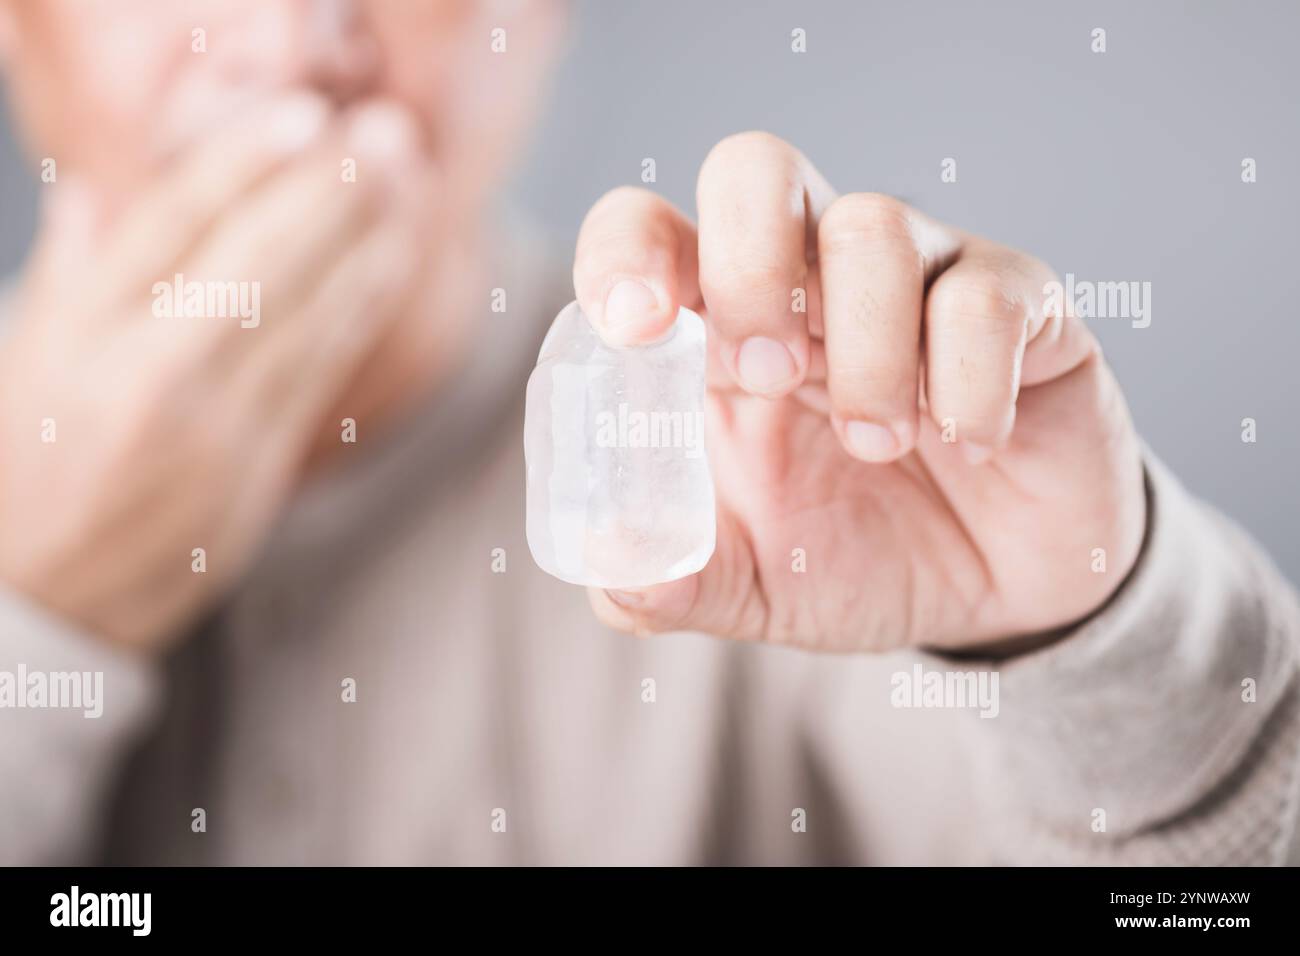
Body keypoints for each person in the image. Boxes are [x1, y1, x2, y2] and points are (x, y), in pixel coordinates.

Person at [0, 0, 1296, 866]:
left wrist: (1093, 636)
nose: (292, 35)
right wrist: (33, 616)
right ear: (25, 33)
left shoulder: (799, 452)